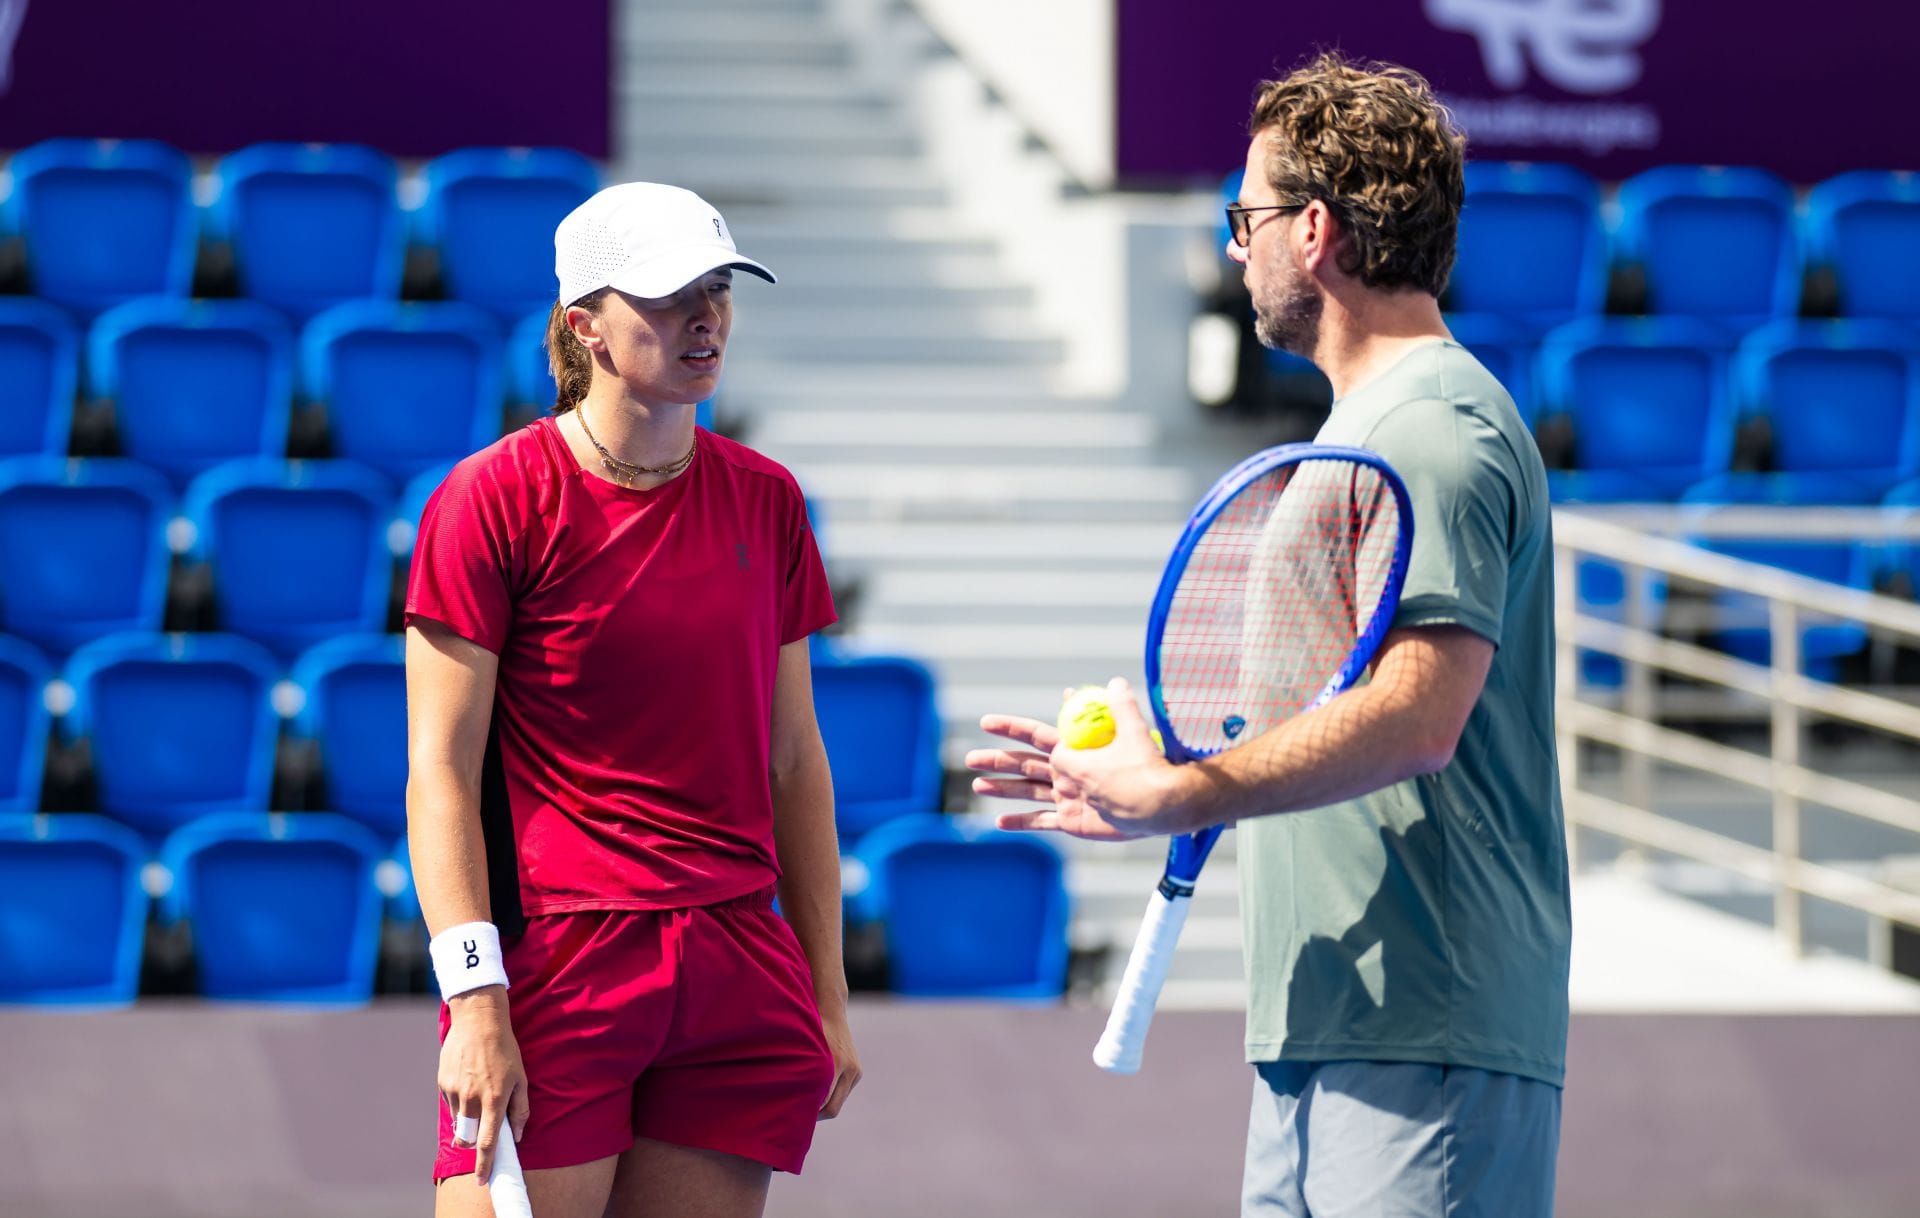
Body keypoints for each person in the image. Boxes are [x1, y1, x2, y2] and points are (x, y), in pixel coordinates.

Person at [969, 53, 1569, 1218]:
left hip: (1425, 1016)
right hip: (1330, 1014)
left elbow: (1417, 716)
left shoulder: (1437, 427)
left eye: (1244, 219)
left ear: (1313, 229)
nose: (1234, 247)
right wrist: (1165, 776)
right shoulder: (1371, 427)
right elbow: (1331, 716)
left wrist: (1189, 800)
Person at [406, 181, 860, 1218]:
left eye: (717, 290)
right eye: (667, 299)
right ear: (586, 328)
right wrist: (474, 998)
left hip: (738, 962)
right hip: (563, 963)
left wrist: (826, 990)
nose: (704, 319)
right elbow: (437, 769)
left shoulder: (770, 499)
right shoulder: (489, 499)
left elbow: (794, 760)